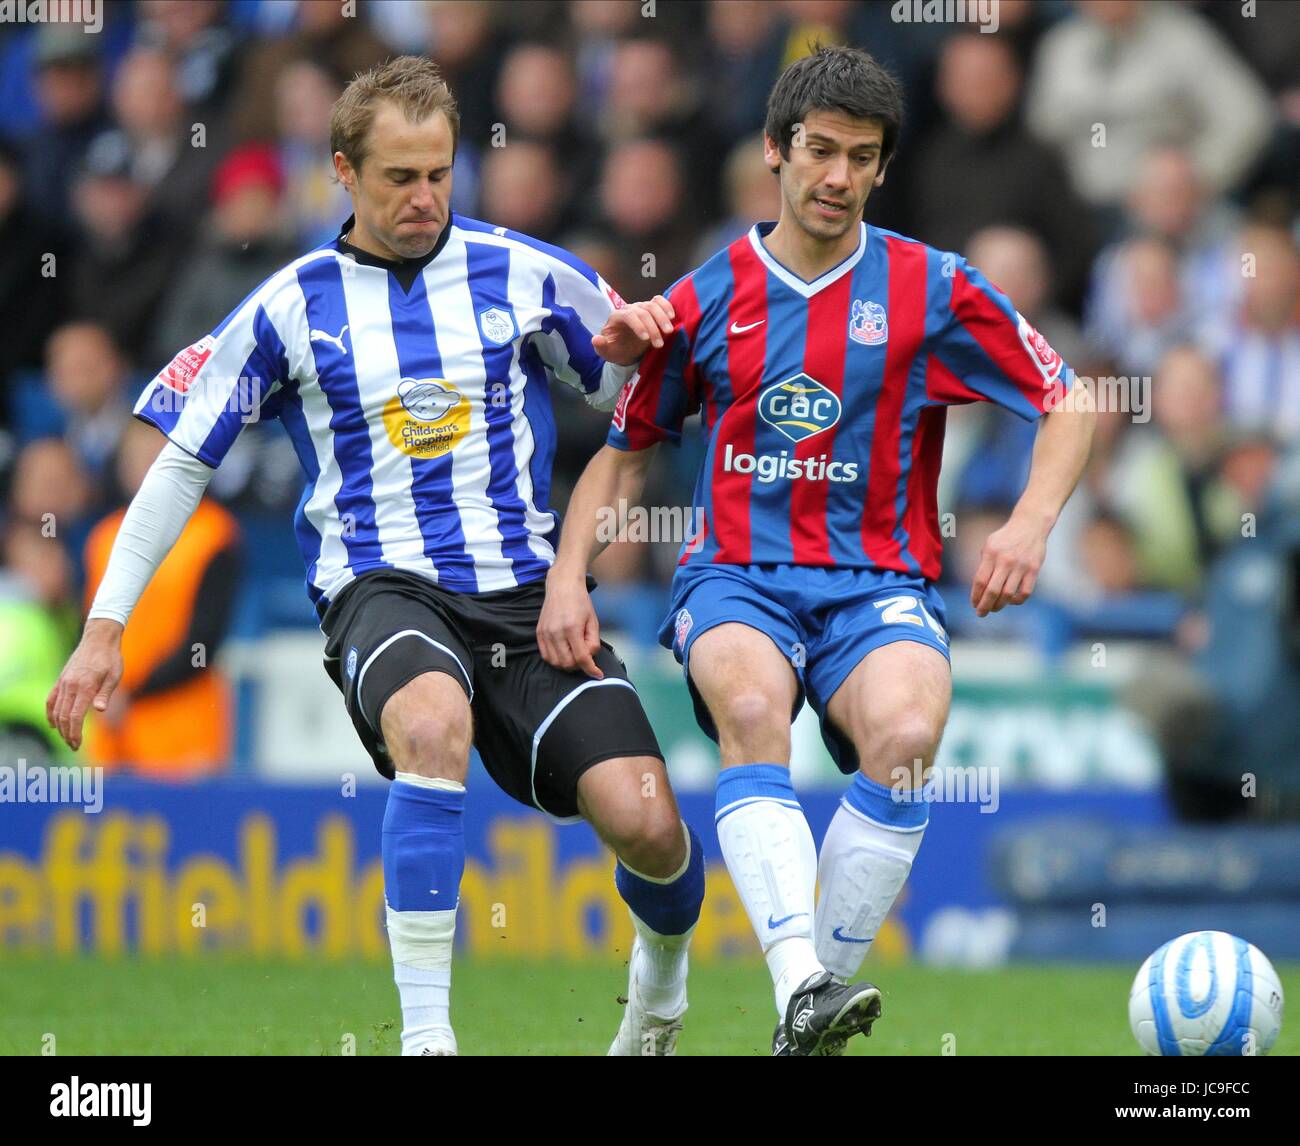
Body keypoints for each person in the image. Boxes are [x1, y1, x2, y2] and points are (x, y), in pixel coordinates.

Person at [46, 56, 703, 1057]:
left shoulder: (525, 272)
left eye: (439, 172)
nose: (424, 197)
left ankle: (656, 1004)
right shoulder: (287, 306)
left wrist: (650, 347)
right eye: (399, 177)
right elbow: (181, 468)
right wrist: (104, 630)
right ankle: (428, 1040)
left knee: (648, 822)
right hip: (380, 589)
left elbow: (639, 398)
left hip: (525, 596)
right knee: (429, 721)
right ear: (343, 174)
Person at [540, 45, 1096, 1056]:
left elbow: (1071, 401)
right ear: (774, 153)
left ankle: (809, 1008)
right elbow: (623, 456)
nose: (840, 176)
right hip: (736, 576)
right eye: (822, 152)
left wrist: (1028, 521)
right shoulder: (705, 295)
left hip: (875, 582)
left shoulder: (933, 289)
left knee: (909, 734)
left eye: (863, 157)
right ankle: (803, 982)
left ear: (883, 168)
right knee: (753, 710)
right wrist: (567, 579)